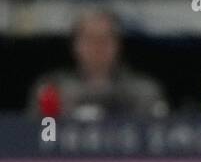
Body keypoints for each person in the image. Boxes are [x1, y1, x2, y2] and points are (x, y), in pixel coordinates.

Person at [26, 8, 168, 120]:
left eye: (105, 39)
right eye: (90, 39)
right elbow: (33, 138)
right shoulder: (52, 89)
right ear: (75, 45)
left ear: (118, 44)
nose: (98, 46)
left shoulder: (144, 91)